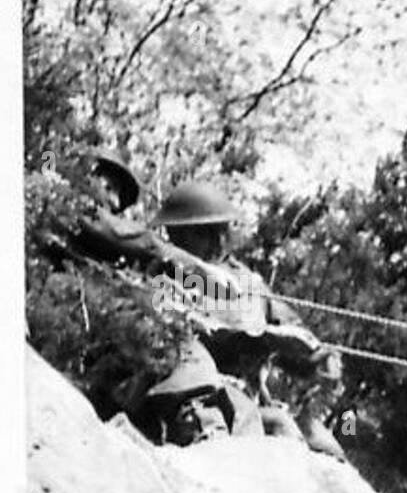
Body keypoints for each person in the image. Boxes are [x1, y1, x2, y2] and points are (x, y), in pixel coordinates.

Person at [140, 180, 346, 455]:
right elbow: (174, 334)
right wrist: (253, 337)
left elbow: (293, 330)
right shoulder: (164, 274)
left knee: (322, 447)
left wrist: (319, 357)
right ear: (177, 234)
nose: (216, 242)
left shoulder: (248, 283)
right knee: (275, 431)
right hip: (198, 399)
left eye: (220, 231)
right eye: (203, 233)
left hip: (252, 401)